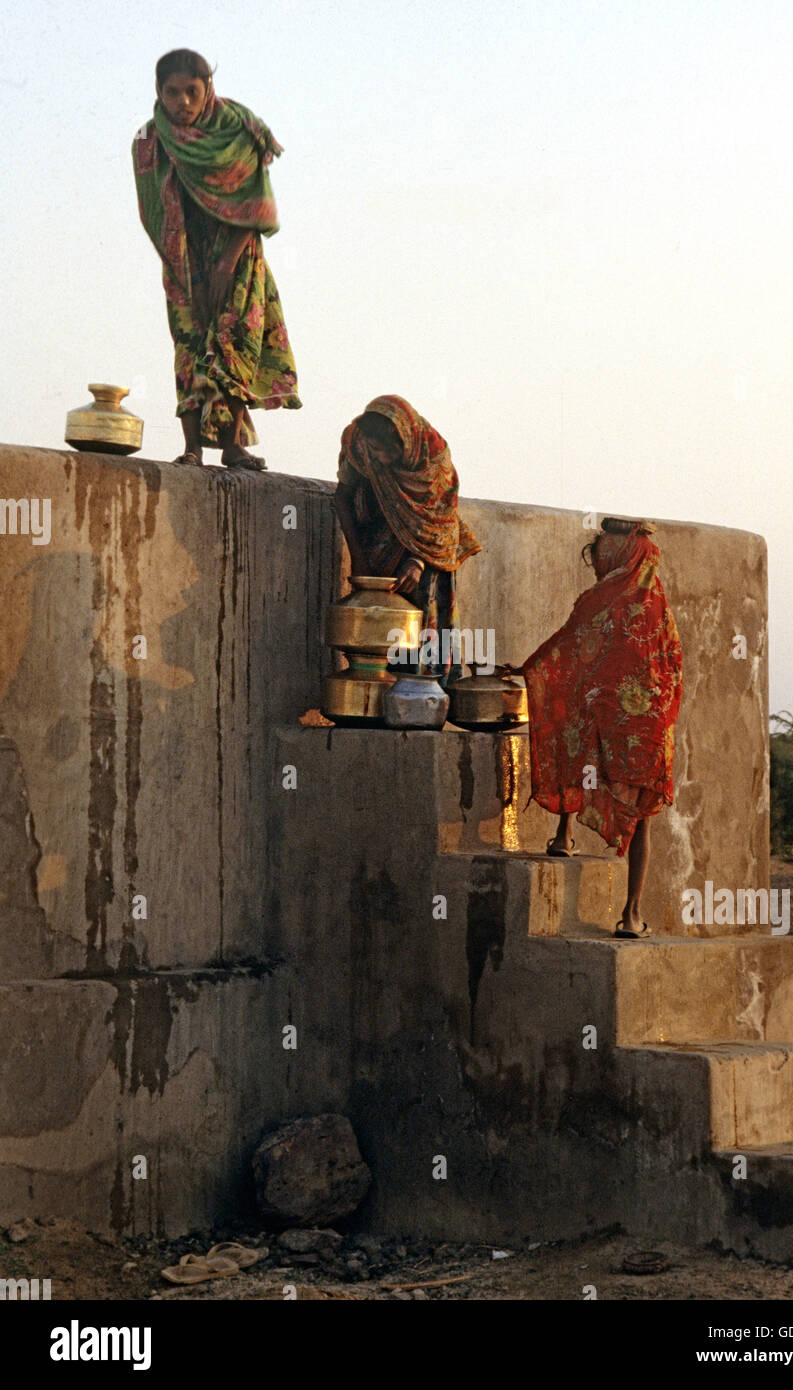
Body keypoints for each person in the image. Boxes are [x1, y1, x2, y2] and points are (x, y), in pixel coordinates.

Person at [503, 519, 682, 939]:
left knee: (574, 730)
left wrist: (531, 669)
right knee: (642, 815)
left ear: (617, 556)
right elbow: (673, 668)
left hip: (609, 716)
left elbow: (566, 649)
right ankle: (631, 915)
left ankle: (565, 833)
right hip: (647, 727)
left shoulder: (597, 601)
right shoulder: (657, 605)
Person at [133, 49, 301, 470]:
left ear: (208, 89)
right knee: (190, 344)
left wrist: (225, 263)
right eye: (172, 93)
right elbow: (156, 210)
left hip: (237, 254)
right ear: (159, 92)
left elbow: (257, 203)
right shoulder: (150, 140)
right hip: (184, 258)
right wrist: (188, 273)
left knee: (233, 343)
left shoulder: (238, 129)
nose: (182, 102)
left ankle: (232, 447)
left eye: (192, 91)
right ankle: (192, 448)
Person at [334, 396, 481, 685]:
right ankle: (379, 693)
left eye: (383, 452)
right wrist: (359, 561)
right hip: (376, 546)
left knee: (421, 623)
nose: (377, 459)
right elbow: (342, 497)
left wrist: (417, 562)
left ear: (403, 445)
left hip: (428, 552)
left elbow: (441, 517)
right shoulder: (359, 444)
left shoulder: (433, 456)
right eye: (373, 450)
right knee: (378, 626)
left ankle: (422, 693)